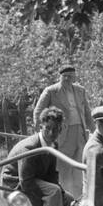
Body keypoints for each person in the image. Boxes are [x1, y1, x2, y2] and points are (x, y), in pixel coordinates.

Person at [6, 107, 75, 206]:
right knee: (53, 192)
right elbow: (25, 181)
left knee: (68, 198)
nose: (51, 132)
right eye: (47, 128)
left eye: (55, 129)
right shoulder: (30, 147)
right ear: (40, 127)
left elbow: (50, 174)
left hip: (34, 179)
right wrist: (41, 200)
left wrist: (59, 191)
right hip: (15, 182)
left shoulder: (53, 145)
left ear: (60, 130)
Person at [33, 64, 91, 197]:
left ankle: (78, 198)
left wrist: (94, 130)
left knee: (79, 166)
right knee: (63, 167)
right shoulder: (51, 91)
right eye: (65, 76)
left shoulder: (80, 90)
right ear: (60, 77)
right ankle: (63, 195)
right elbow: (38, 111)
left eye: (70, 76)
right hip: (62, 133)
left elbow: (87, 112)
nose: (67, 79)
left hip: (80, 133)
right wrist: (41, 133)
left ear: (74, 77)